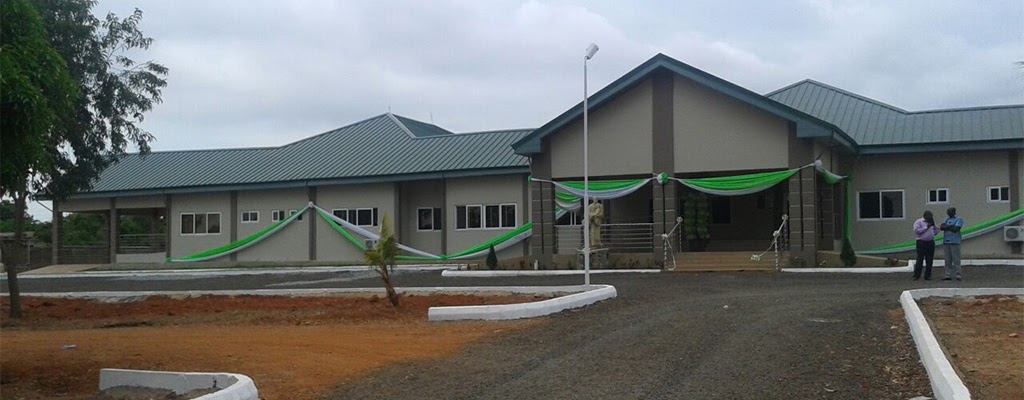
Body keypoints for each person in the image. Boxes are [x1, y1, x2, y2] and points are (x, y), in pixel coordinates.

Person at [912, 210, 939, 280]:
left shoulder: (931, 222)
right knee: (920, 259)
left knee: (929, 259)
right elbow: (916, 231)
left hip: (930, 242)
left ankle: (928, 275)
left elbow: (936, 231)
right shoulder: (918, 221)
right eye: (929, 216)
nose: (930, 218)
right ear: (925, 216)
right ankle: (916, 275)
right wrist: (926, 227)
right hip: (921, 242)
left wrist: (934, 227)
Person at [939, 207, 964, 281]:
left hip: (955, 241)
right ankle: (947, 275)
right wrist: (951, 226)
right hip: (946, 242)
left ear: (954, 212)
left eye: (950, 211)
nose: (948, 213)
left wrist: (947, 227)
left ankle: (958, 274)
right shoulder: (946, 219)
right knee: (947, 260)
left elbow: (956, 229)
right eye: (948, 212)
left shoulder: (959, 219)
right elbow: (942, 227)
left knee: (956, 259)